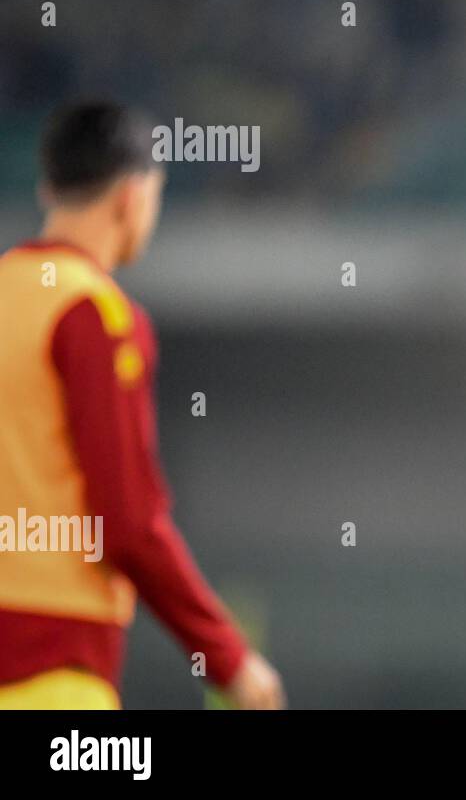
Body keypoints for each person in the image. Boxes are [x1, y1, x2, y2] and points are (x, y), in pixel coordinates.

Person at [0, 102, 285, 710]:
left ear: (50, 187)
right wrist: (228, 656)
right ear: (133, 196)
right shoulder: (96, 315)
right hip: (50, 673)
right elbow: (127, 521)